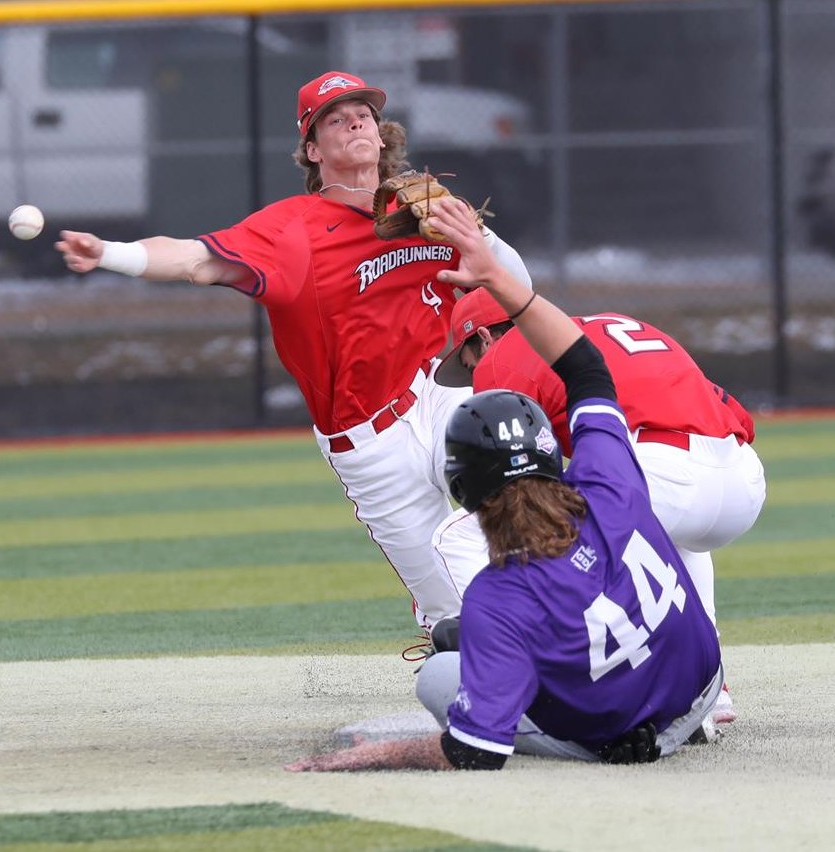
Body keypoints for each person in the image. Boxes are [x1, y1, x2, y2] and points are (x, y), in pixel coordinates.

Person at [55, 72, 532, 632]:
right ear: (312, 148)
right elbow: (193, 260)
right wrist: (110, 252)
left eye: (364, 114)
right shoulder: (291, 232)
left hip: (439, 395)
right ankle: (466, 646)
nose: (355, 121)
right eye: (335, 117)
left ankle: (584, 626)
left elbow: (519, 290)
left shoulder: (428, 212)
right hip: (368, 443)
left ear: (382, 136)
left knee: (519, 491)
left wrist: (479, 240)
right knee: (456, 617)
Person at [286, 195, 724, 772]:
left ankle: (601, 736)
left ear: (464, 491)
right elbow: (586, 367)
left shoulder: (498, 594)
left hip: (617, 731)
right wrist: (500, 277)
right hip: (701, 690)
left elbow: (475, 752)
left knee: (445, 667)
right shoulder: (608, 477)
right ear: (551, 449)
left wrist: (379, 755)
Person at [424, 289, 767, 722]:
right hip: (742, 478)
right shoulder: (603, 326)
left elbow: (507, 471)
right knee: (667, 531)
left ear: (485, 338)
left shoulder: (505, 352)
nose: (472, 371)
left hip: (666, 472)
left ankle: (523, 678)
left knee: (455, 535)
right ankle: (708, 693)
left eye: (468, 359)